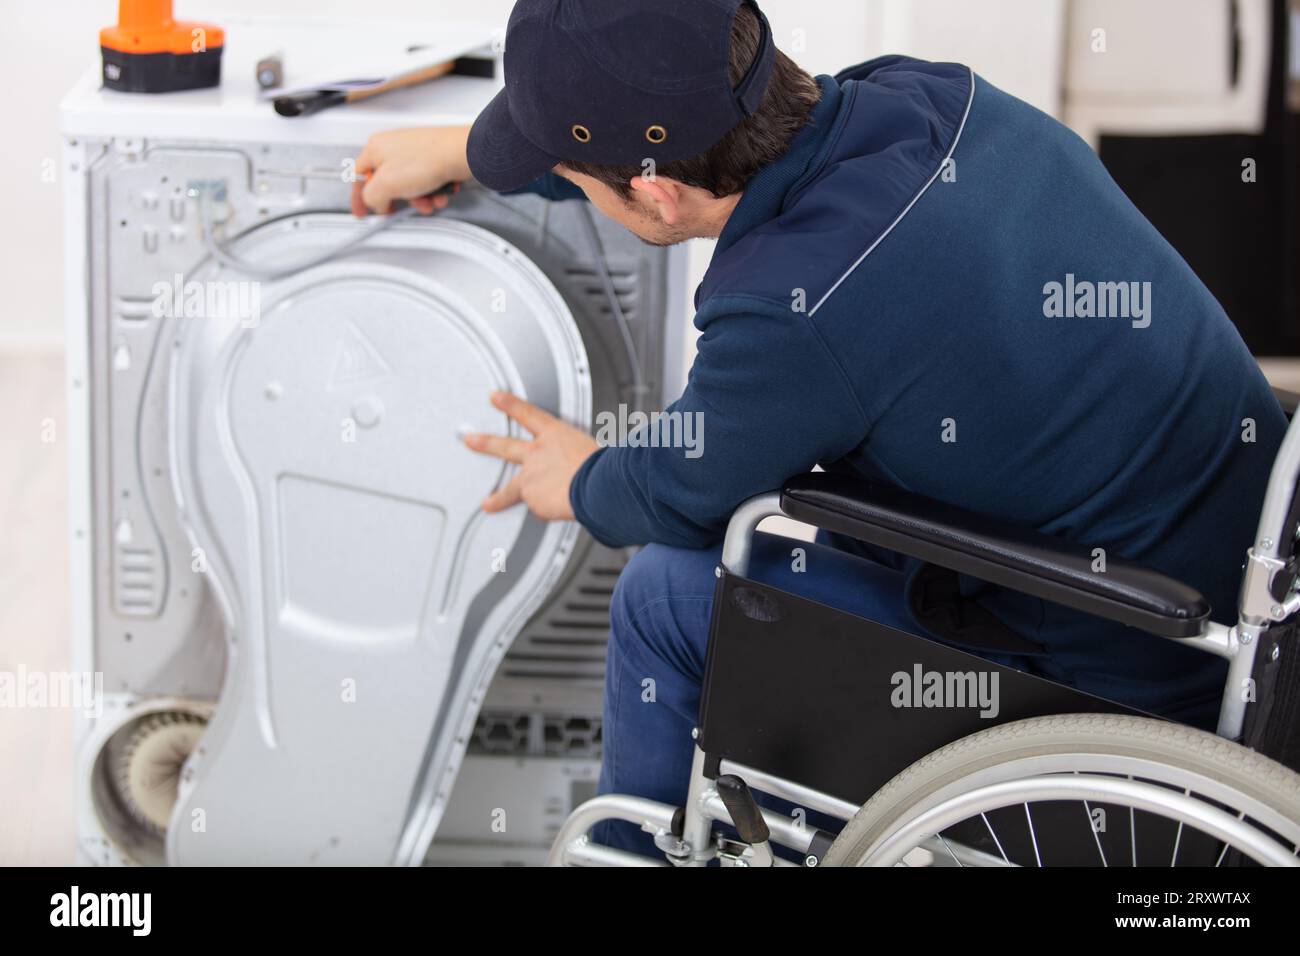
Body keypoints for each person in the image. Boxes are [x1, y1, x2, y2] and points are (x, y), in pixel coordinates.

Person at [352, 0, 1286, 856]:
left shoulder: (795, 310)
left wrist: (582, 474)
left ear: (655, 193)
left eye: (572, 177)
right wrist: (466, 154)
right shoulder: (927, 95)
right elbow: (666, 172)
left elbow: (674, 490)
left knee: (667, 596)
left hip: (1124, 681)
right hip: (1221, 583)